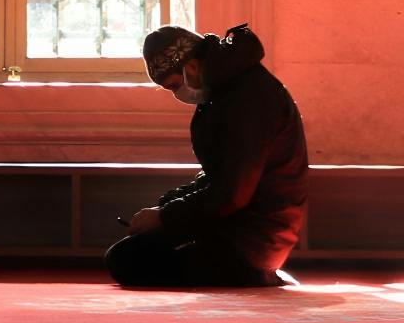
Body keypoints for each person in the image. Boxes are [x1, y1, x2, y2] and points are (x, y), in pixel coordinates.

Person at [105, 22, 309, 289]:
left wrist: (165, 216)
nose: (178, 94)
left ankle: (259, 273)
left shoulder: (250, 97)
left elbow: (233, 194)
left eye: (174, 85)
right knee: (127, 254)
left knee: (129, 261)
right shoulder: (225, 91)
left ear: (191, 66)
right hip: (232, 224)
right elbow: (220, 176)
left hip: (254, 238)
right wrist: (166, 207)